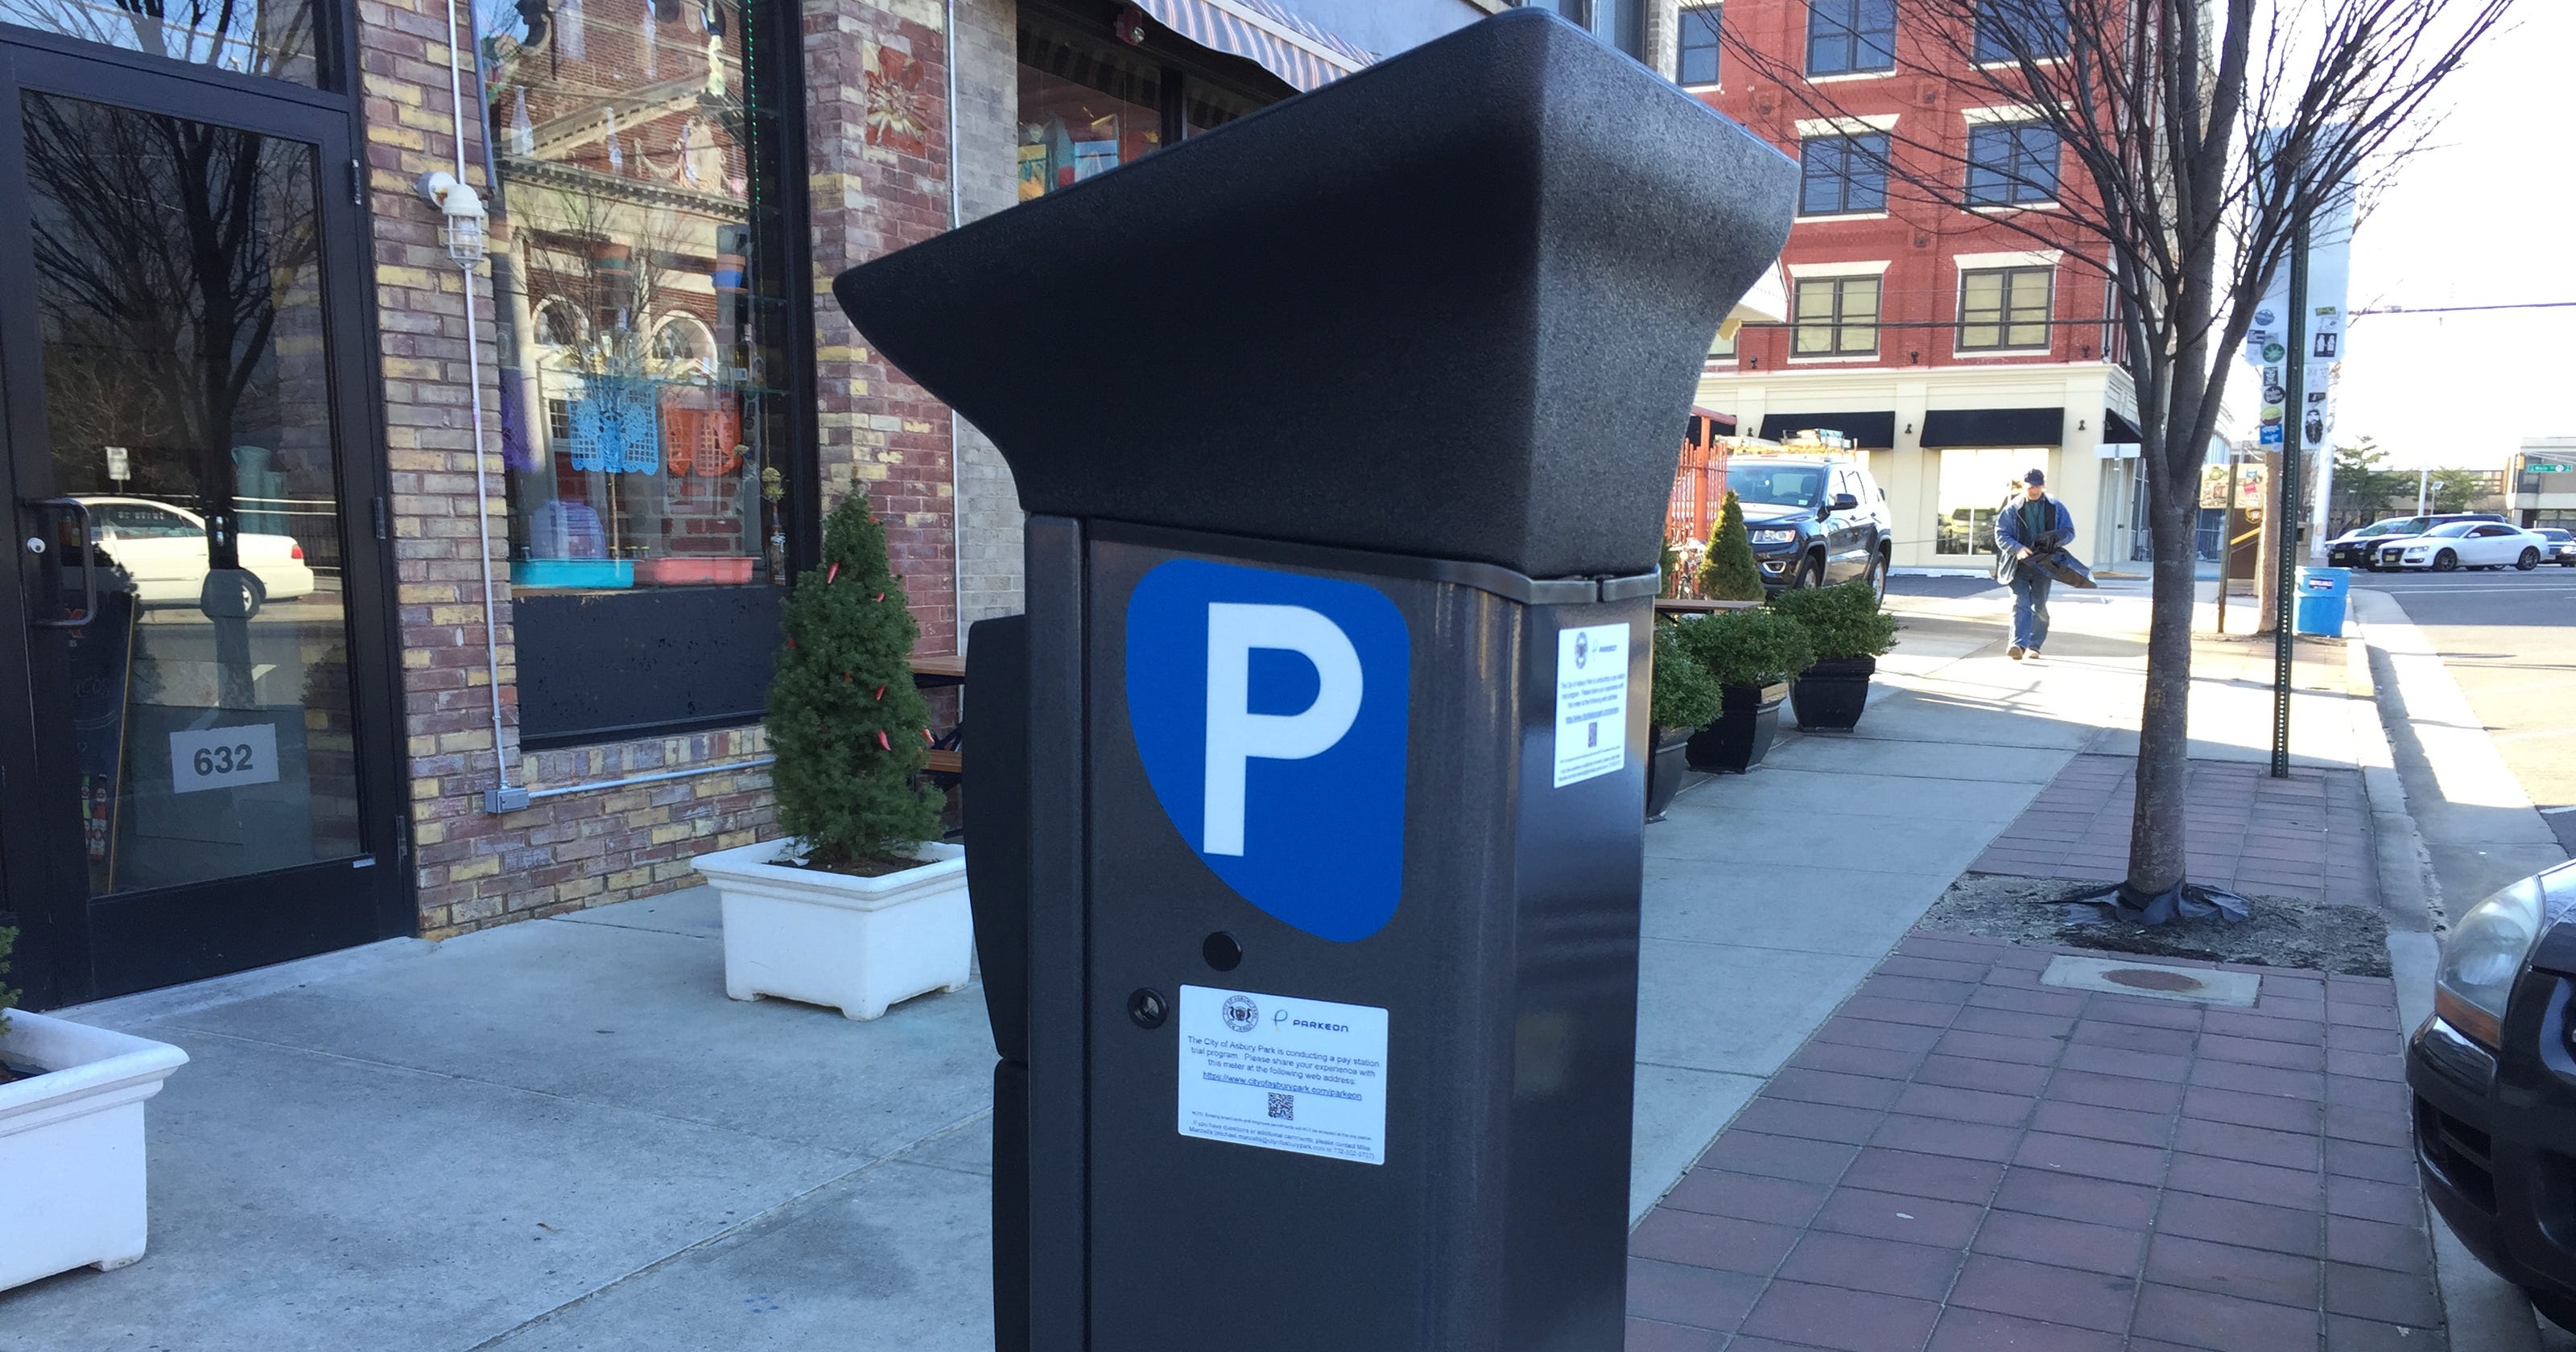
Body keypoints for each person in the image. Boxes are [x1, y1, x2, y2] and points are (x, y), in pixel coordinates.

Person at [1993, 468, 2075, 660]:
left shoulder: (2057, 507)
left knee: (2039, 606)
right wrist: (2017, 549)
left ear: (2043, 485)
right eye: (2031, 487)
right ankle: (2017, 645)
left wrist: (2053, 540)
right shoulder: (2012, 508)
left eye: (2037, 486)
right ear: (2024, 486)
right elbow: (2001, 534)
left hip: (2044, 564)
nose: (2034, 490)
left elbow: (2069, 531)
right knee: (2020, 602)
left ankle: (2034, 646)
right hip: (2017, 565)